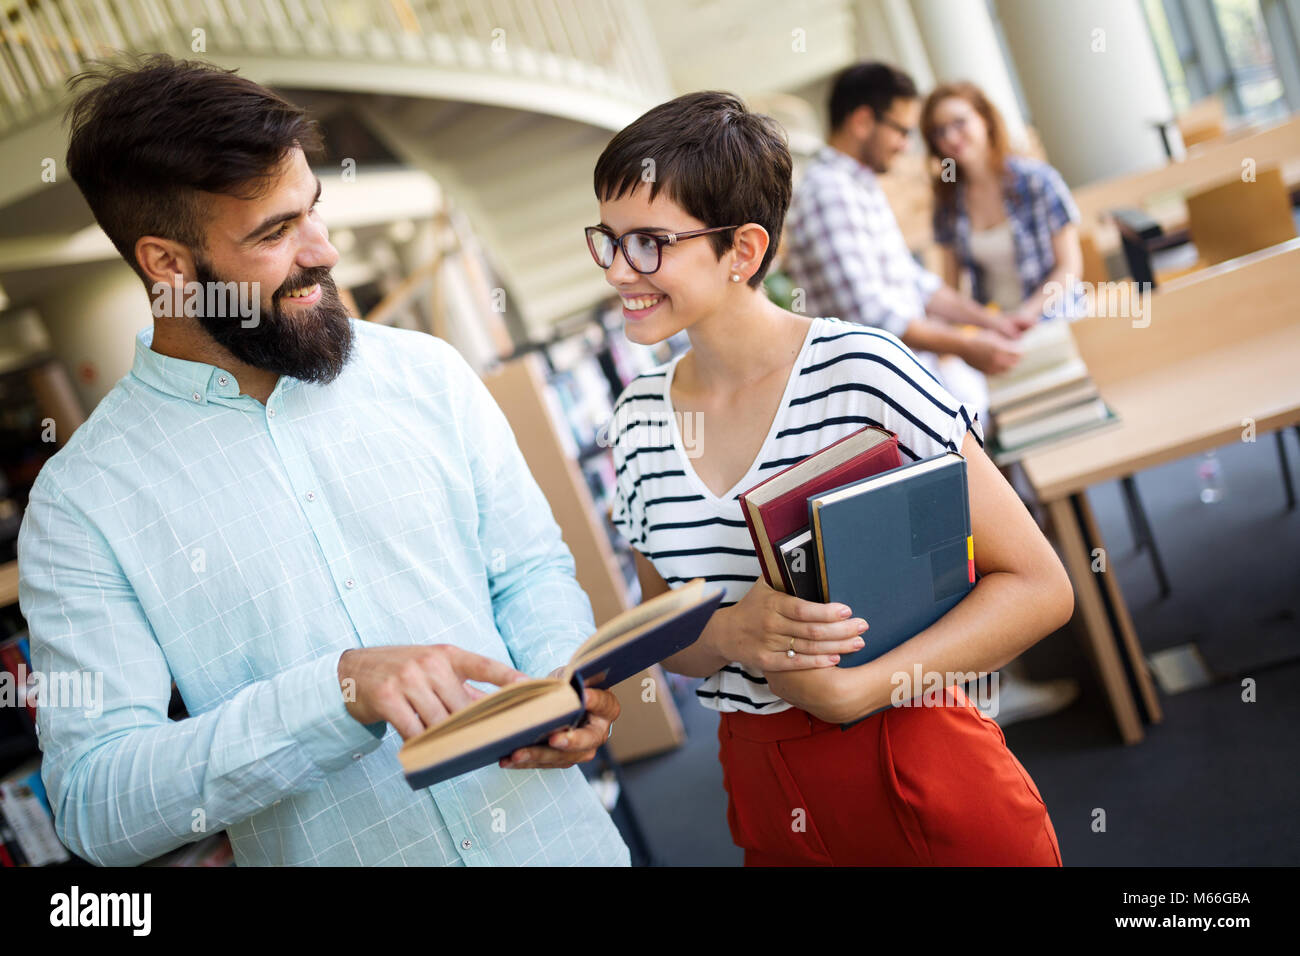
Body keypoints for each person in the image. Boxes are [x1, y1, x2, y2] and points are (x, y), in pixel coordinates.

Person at [17, 54, 628, 867]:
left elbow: (526, 573)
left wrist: (561, 681)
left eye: (313, 210)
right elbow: (98, 804)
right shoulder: (81, 505)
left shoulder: (427, 373)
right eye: (274, 233)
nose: (324, 250)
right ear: (167, 265)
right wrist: (334, 693)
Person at [590, 90, 1072, 865]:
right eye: (607, 240)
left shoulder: (862, 372)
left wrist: (864, 687)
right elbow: (668, 637)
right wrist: (728, 631)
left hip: (914, 745)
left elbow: (1040, 586)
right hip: (763, 780)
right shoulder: (636, 422)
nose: (618, 271)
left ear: (743, 251)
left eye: (648, 243)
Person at [782, 60, 1024, 426]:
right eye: (901, 130)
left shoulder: (859, 186)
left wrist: (989, 322)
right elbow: (872, 317)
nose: (906, 145)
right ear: (863, 121)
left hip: (906, 386)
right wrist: (965, 345)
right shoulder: (827, 193)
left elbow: (914, 282)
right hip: (881, 406)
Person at [921, 80, 1086, 323]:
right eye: (939, 131)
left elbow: (1069, 267)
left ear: (985, 119)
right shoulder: (947, 204)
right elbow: (951, 286)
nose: (951, 137)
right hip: (995, 329)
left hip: (1055, 316)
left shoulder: (1038, 181)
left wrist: (1026, 315)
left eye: (959, 122)